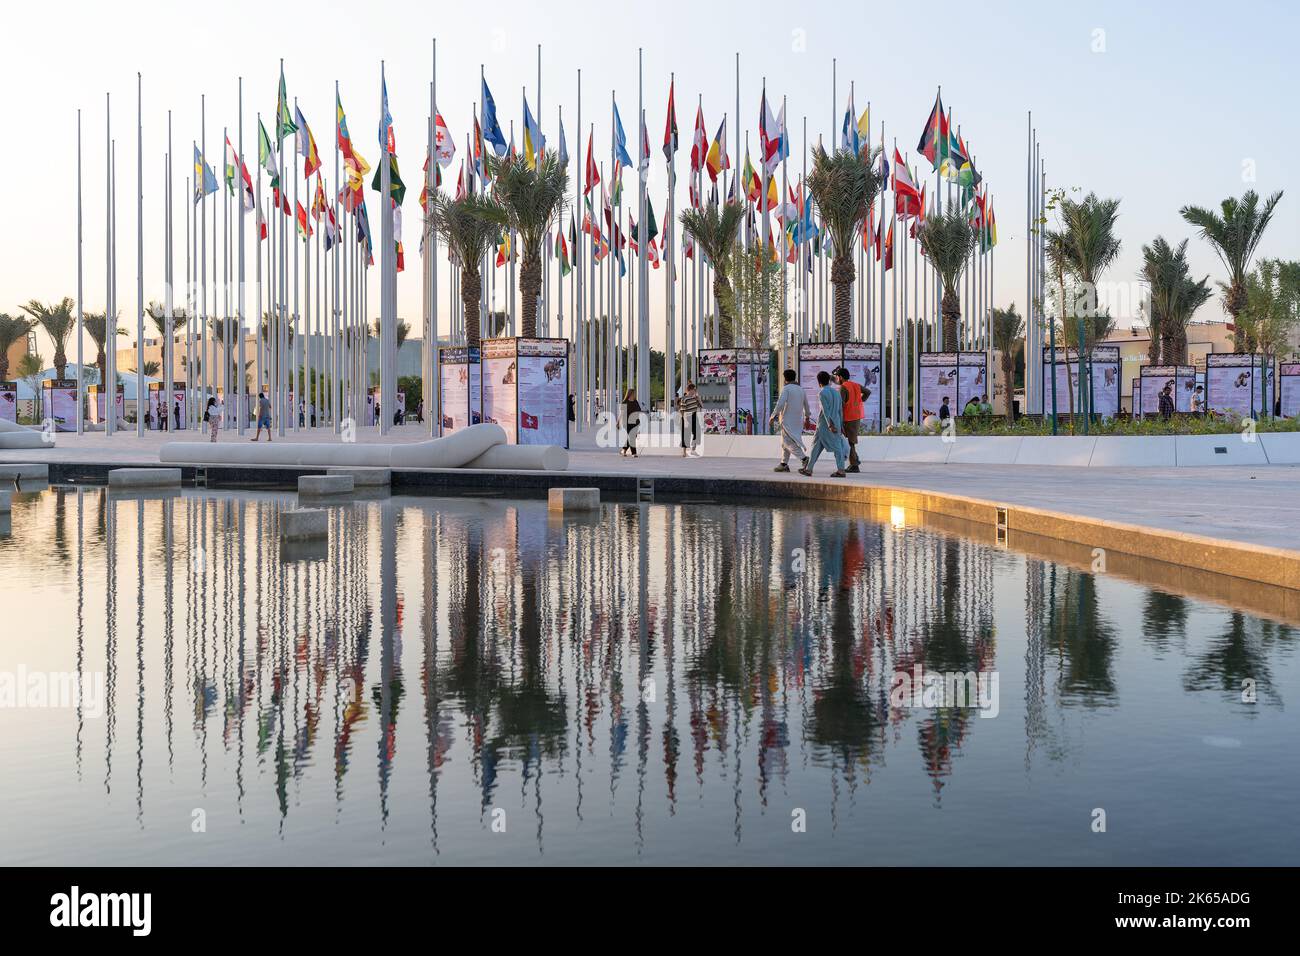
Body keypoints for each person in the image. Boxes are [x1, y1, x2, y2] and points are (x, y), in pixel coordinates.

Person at [799, 370, 846, 478]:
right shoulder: (836, 392)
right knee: (820, 446)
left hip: (825, 425)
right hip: (836, 423)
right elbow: (840, 410)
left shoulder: (822, 392)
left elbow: (825, 410)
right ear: (829, 380)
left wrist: (830, 425)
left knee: (829, 447)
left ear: (819, 382)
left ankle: (840, 470)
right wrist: (841, 425)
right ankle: (809, 469)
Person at [770, 369, 808, 473]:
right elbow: (806, 405)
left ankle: (804, 459)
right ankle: (784, 464)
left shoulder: (786, 389)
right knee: (784, 442)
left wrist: (773, 415)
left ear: (785, 378)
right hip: (797, 421)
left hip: (787, 420)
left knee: (787, 443)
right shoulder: (801, 389)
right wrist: (807, 417)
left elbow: (780, 404)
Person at [836, 367, 864, 473]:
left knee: (850, 443)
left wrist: (840, 421)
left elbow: (840, 406)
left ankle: (854, 465)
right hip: (856, 416)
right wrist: (860, 401)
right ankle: (855, 461)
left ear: (841, 377)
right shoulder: (856, 385)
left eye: (837, 377)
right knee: (851, 441)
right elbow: (868, 392)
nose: (837, 379)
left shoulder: (843, 387)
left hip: (848, 418)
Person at [677, 383, 703, 457]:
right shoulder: (684, 398)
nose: (695, 391)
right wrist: (685, 421)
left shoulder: (694, 398)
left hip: (694, 417)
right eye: (694, 390)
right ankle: (684, 452)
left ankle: (693, 450)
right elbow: (682, 410)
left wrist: (699, 399)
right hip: (686, 416)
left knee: (697, 433)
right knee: (685, 435)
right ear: (690, 390)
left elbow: (701, 406)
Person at [620, 388, 642, 457]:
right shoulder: (625, 402)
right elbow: (622, 413)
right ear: (630, 394)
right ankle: (634, 453)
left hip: (635, 422)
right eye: (634, 393)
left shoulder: (635, 401)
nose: (635, 394)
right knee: (631, 436)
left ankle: (624, 449)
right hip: (627, 422)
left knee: (632, 436)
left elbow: (639, 410)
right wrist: (618, 422)